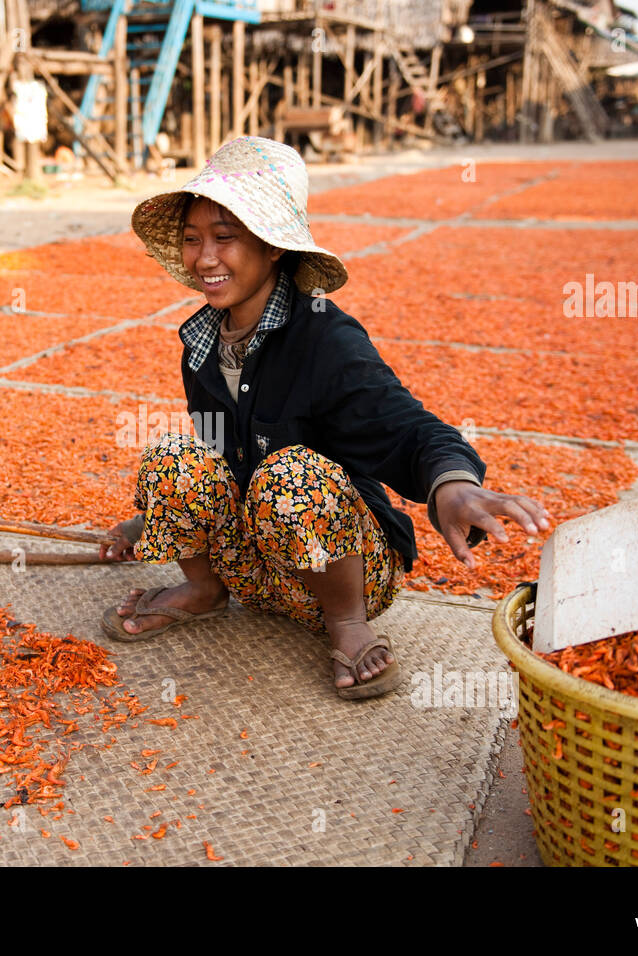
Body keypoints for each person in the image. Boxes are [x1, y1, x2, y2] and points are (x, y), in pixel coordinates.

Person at [98, 136, 550, 700]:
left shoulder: (326, 338)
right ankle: (206, 591)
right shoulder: (200, 340)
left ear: (274, 248)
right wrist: (152, 523)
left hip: (349, 564)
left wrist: (451, 485)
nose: (205, 258)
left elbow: (408, 425)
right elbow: (218, 457)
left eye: (225, 238)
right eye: (192, 240)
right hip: (256, 568)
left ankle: (347, 623)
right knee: (172, 454)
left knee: (290, 474)